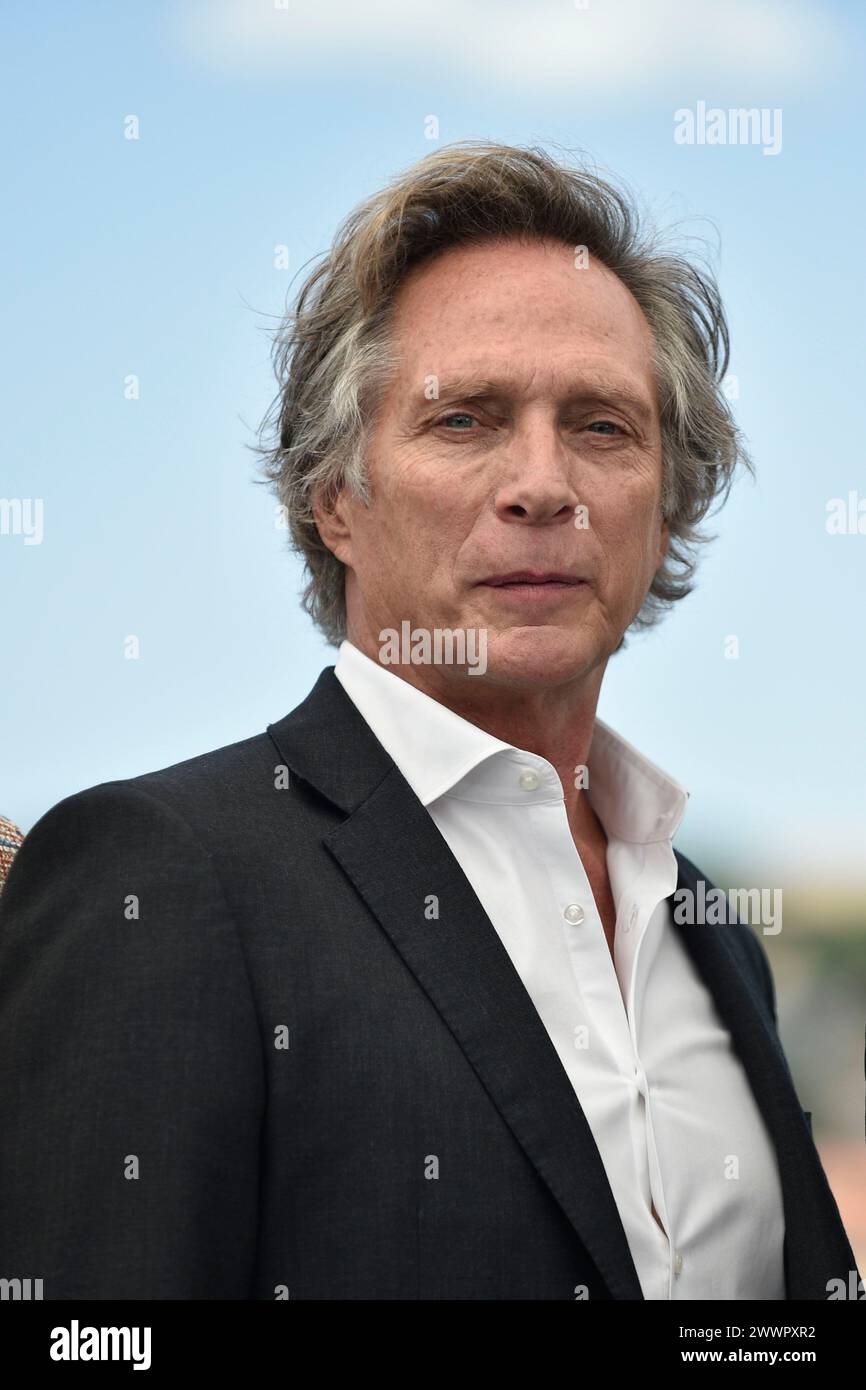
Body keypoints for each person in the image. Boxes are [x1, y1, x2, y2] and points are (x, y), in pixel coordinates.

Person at [0, 142, 857, 1300]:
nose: (542, 483)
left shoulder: (707, 924)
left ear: (664, 507)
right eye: (465, 421)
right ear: (335, 501)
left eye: (602, 426)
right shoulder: (166, 873)